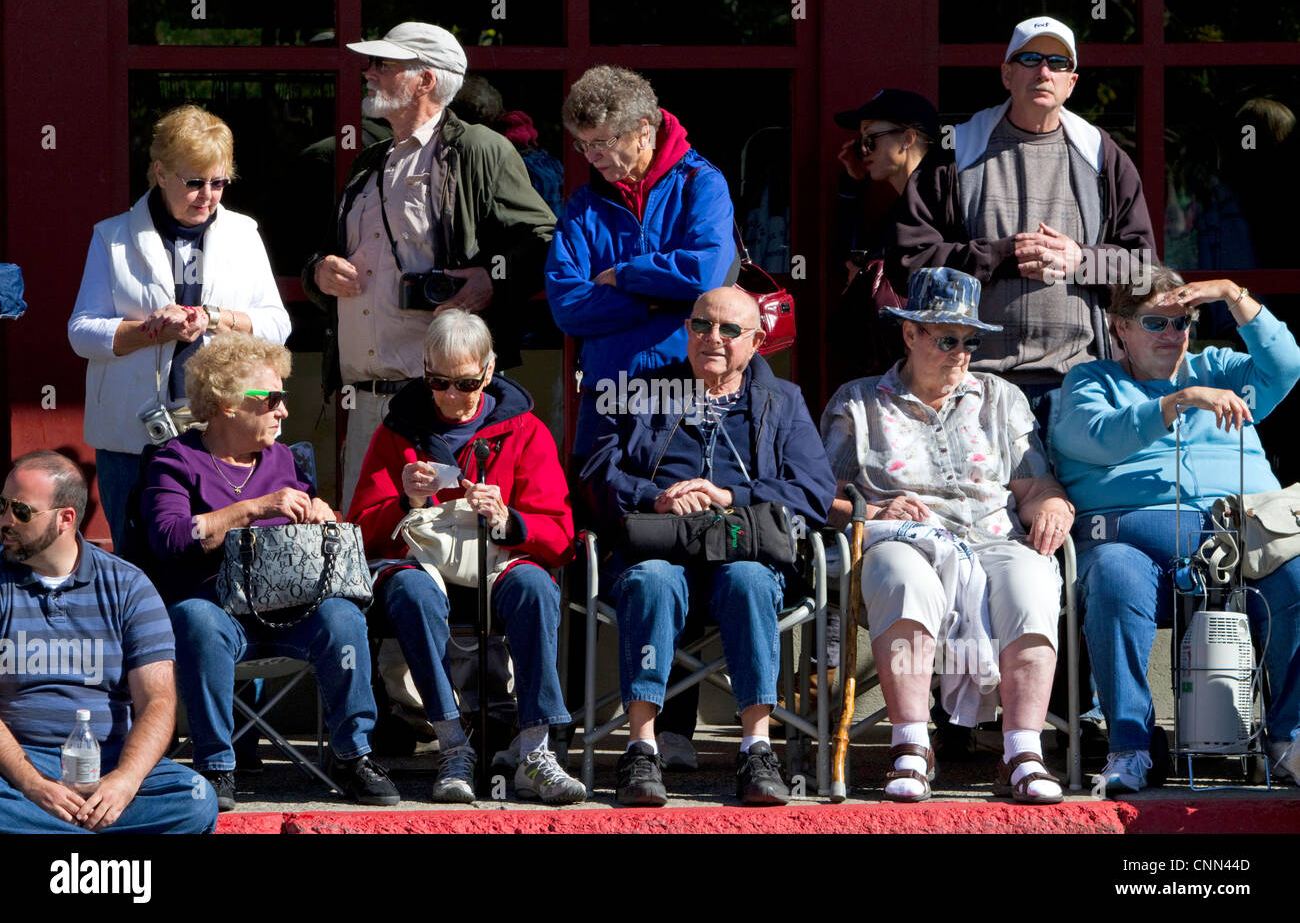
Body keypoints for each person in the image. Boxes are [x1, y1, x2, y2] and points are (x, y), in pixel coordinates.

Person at [820, 267, 1073, 804]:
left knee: (1030, 582)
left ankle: (1023, 751)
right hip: (905, 537)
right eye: (947, 338)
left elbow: (1032, 485)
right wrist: (875, 505)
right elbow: (821, 495)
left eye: (971, 340)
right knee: (899, 574)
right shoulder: (860, 402)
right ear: (910, 333)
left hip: (993, 538)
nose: (962, 351)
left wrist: (1051, 503)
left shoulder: (1001, 399)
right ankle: (912, 746)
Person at [583, 287, 836, 806]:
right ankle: (641, 749)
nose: (712, 339)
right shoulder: (639, 391)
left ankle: (756, 748)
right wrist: (654, 497)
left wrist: (730, 496)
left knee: (746, 581)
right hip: (658, 547)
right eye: (701, 326)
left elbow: (815, 490)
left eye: (729, 330)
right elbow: (592, 473)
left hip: (744, 550)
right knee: (652, 580)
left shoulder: (783, 401)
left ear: (757, 342)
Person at [1052, 265, 1300, 792]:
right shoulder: (1090, 381)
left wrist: (1234, 296)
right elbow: (1097, 438)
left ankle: (1288, 740)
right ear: (1119, 326)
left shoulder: (1223, 369)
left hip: (1239, 542)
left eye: (1181, 322)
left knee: (1299, 574)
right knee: (1114, 575)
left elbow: (1284, 368)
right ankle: (1130, 747)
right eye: (1155, 323)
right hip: (1131, 542)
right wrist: (1179, 401)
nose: (1172, 335)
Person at [302, 21, 556, 511]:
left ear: (426, 79)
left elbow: (542, 239)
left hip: (440, 403)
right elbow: (326, 254)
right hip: (367, 399)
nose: (369, 73)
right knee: (371, 546)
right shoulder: (369, 163)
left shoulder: (478, 149)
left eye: (384, 64)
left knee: (443, 553)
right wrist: (319, 271)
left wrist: (490, 278)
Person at [142, 333, 398, 812]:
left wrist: (322, 511)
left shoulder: (285, 460)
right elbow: (170, 539)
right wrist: (253, 508)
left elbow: (303, 532)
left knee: (342, 616)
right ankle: (216, 764)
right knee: (196, 620)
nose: (283, 410)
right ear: (226, 403)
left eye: (284, 397)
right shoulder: (175, 461)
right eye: (271, 399)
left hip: (290, 610)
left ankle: (353, 755)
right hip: (219, 614)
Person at [349, 311, 584, 804]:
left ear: (491, 369)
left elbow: (560, 539)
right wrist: (403, 503)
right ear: (424, 371)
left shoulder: (525, 431)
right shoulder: (397, 431)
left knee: (536, 587)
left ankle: (535, 752)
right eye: (438, 382)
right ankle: (452, 744)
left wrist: (508, 518)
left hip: (498, 560)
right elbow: (361, 536)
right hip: (424, 562)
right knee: (409, 589)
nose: (452, 397)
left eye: (466, 383)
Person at [888, 16, 1157, 425]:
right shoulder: (956, 153)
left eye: (1058, 62)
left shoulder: (1103, 158)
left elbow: (1144, 272)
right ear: (1007, 74)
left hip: (1079, 382)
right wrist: (997, 256)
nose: (1044, 71)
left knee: (1065, 492)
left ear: (1072, 82)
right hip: (971, 381)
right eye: (1030, 58)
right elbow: (908, 263)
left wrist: (1079, 261)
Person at [68, 105, 291, 553]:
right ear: (160, 173)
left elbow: (277, 324)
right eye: (194, 182)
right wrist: (152, 330)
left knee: (214, 558)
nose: (208, 195)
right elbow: (81, 332)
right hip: (132, 434)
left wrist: (216, 318)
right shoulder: (111, 237)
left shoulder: (244, 233)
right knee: (136, 558)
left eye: (219, 182)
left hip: (220, 432)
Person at [0, 451, 218, 833]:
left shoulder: (128, 586)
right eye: (2, 506)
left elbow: (158, 701)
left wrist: (124, 782)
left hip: (107, 761)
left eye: (20, 511)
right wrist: (32, 784)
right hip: (17, 763)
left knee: (195, 798)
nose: (5, 521)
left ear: (66, 518)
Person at [545, 64, 737, 465]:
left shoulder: (701, 183)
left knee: (682, 506)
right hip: (608, 390)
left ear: (644, 131)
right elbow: (566, 305)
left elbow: (703, 272)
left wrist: (622, 276)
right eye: (583, 145)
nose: (591, 156)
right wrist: (652, 302)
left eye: (602, 141)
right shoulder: (583, 204)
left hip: (686, 384)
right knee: (595, 510)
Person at [830, 88, 941, 390]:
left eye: (870, 139)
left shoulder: (945, 201)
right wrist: (852, 188)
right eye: (860, 142)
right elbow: (847, 262)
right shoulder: (896, 209)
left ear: (907, 139)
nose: (863, 150)